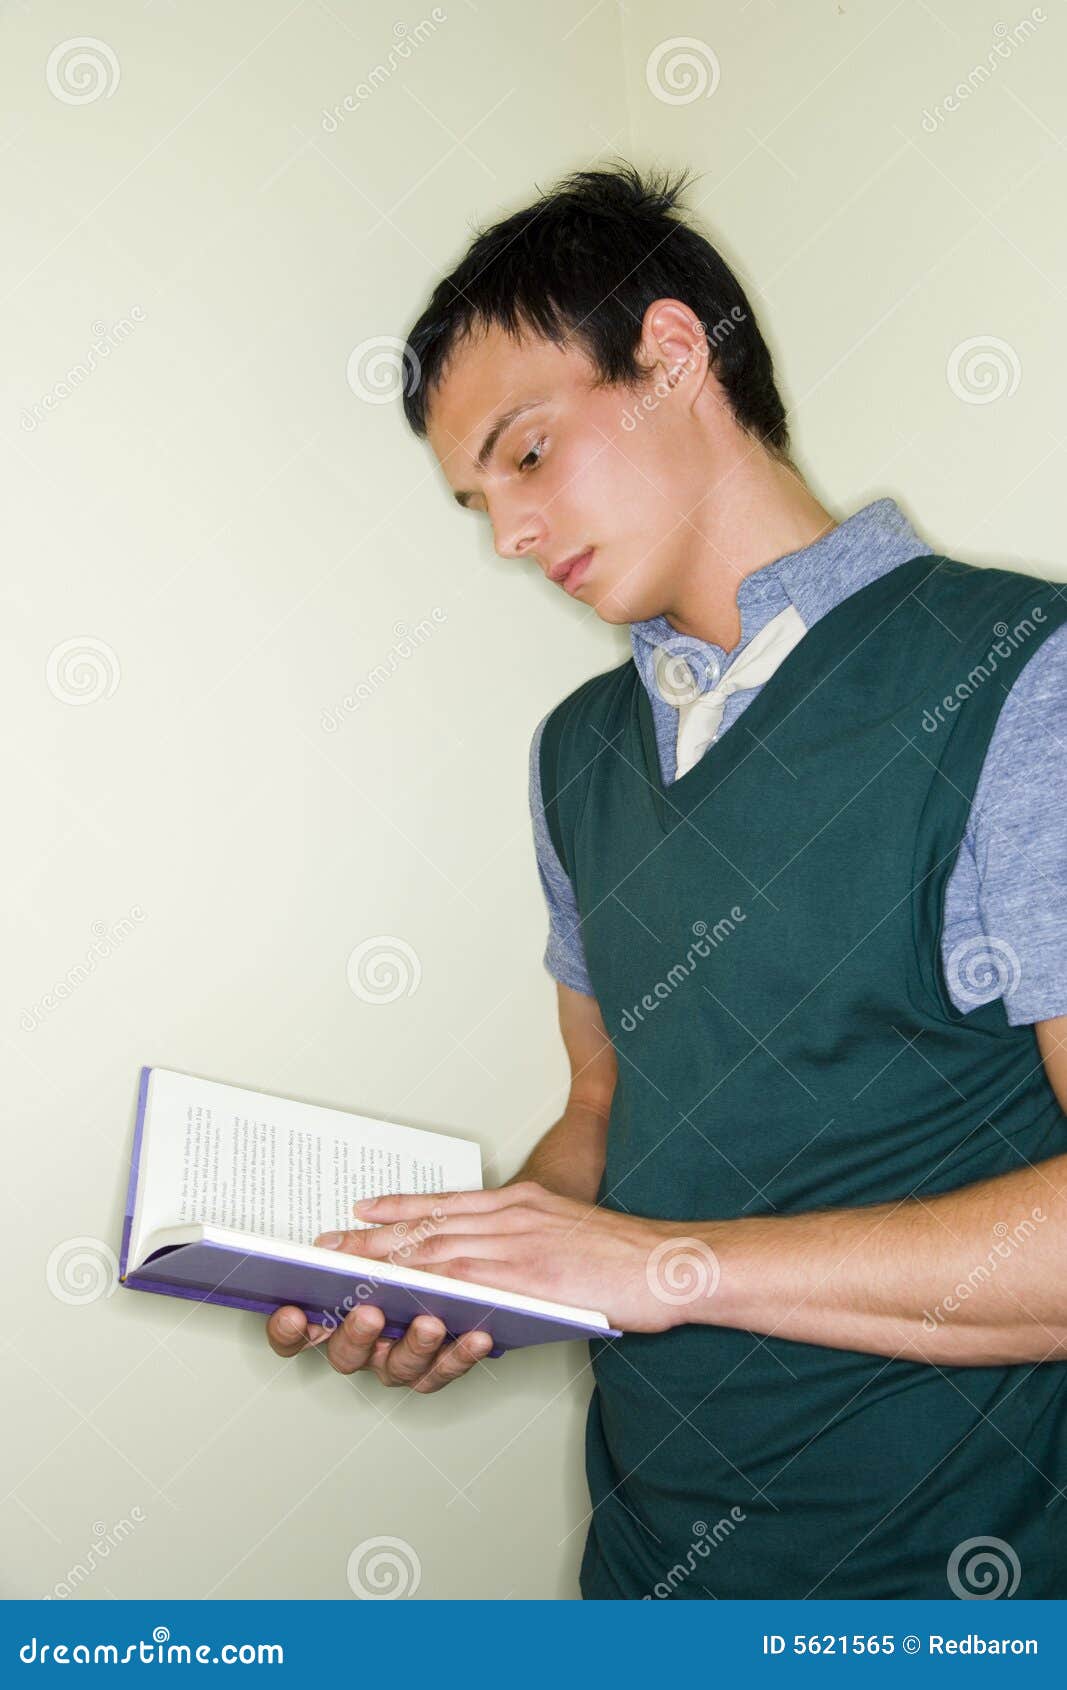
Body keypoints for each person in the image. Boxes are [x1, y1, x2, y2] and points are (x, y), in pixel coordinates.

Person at [266, 162, 1067, 1599]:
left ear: (673, 355)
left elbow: (646, 1251)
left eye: (525, 455)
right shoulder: (574, 752)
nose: (508, 535)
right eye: (473, 501)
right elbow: (602, 1107)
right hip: (643, 1561)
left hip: (947, 1580)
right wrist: (470, 1271)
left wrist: (660, 1266)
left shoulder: (1024, 679)